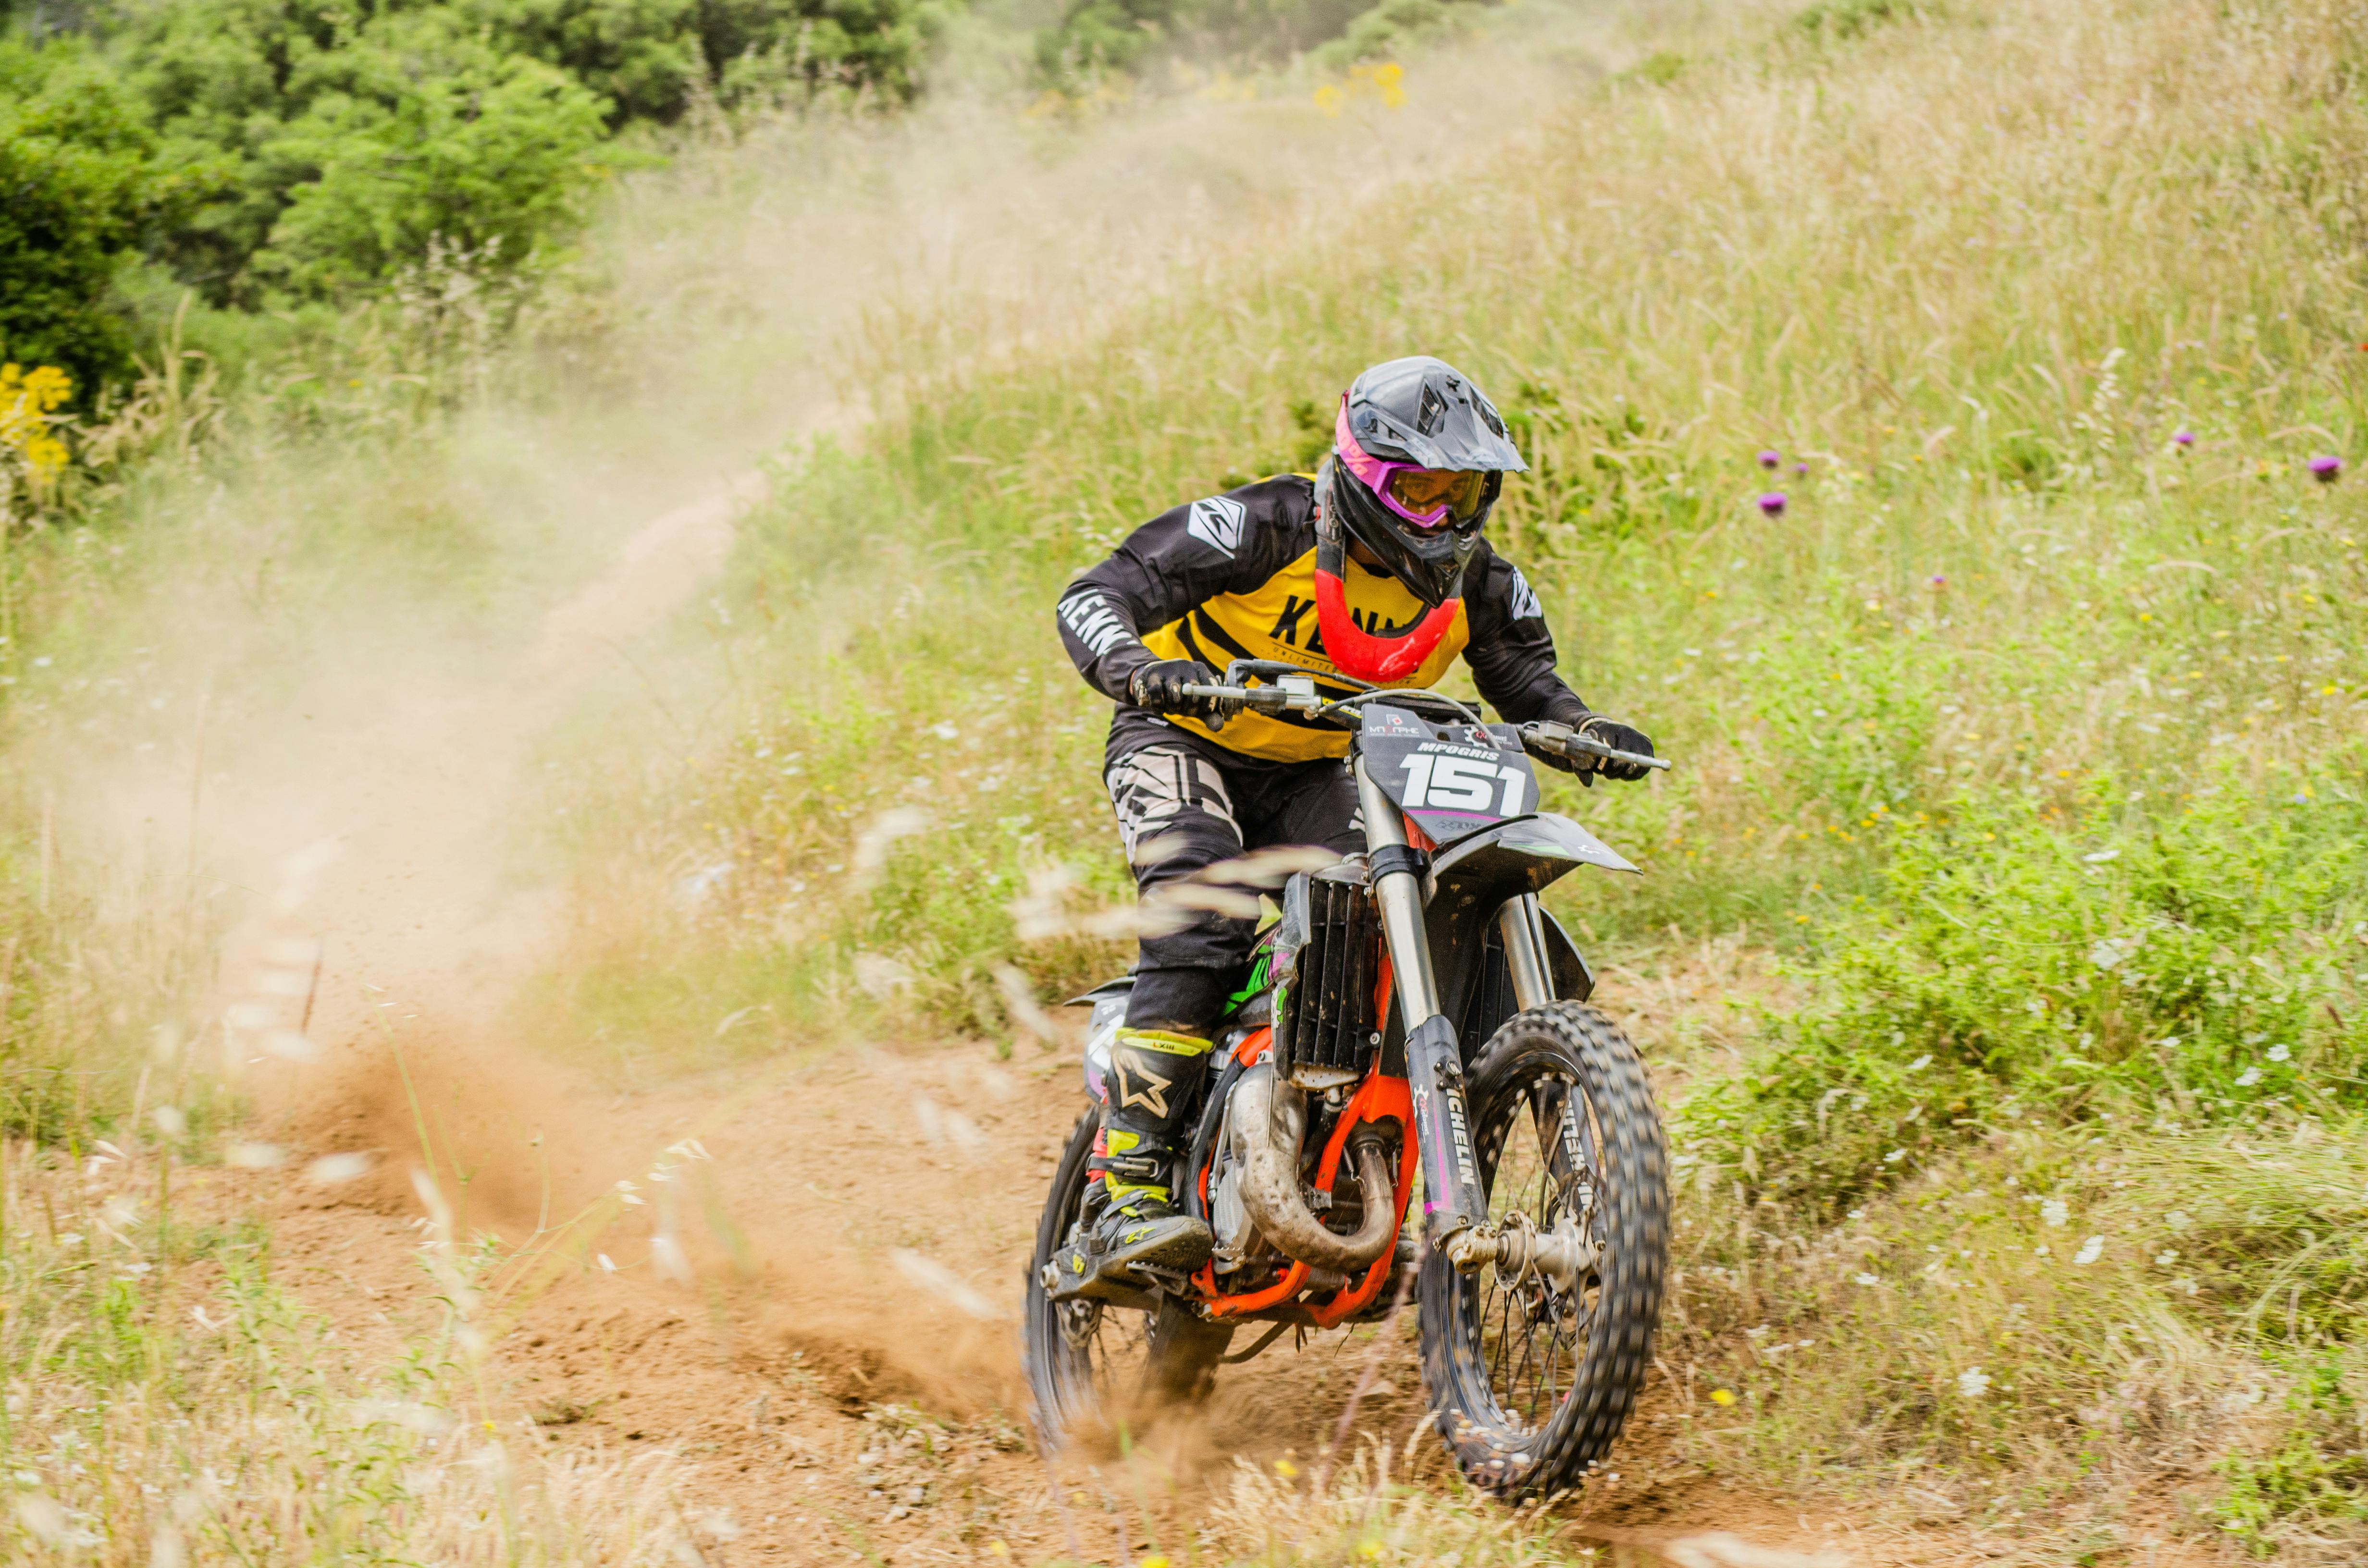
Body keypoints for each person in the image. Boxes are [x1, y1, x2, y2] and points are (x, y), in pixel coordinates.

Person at [1049, 355, 1656, 1296]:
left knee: (1395, 902)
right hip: (1181, 740)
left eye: (1465, 489)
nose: (1445, 511)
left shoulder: (1476, 581)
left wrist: (1579, 731)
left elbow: (1527, 683)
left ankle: (1325, 1139)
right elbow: (1092, 596)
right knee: (1203, 918)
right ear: (1365, 473)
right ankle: (1121, 1186)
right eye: (1421, 487)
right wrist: (1136, 666)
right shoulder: (1261, 526)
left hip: (1317, 766)